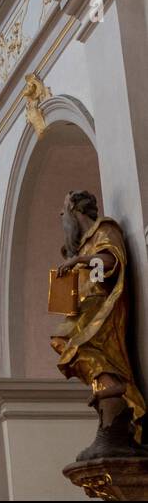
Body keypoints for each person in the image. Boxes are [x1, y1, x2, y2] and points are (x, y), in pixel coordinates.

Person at [51, 190, 147, 458]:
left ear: (74, 209)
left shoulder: (104, 230)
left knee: (78, 346)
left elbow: (110, 261)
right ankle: (106, 389)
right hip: (84, 308)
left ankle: (116, 399)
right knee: (62, 342)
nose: (60, 215)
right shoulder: (82, 244)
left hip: (103, 307)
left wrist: (79, 261)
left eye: (63, 208)